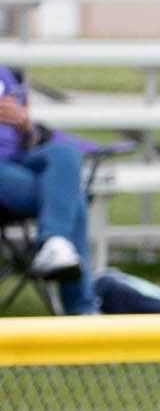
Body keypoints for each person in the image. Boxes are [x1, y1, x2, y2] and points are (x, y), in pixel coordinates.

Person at [0, 66, 99, 316]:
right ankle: (82, 311)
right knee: (71, 198)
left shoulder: (6, 75)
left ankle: (54, 243)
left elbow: (30, 139)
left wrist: (24, 124)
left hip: (18, 162)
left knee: (66, 153)